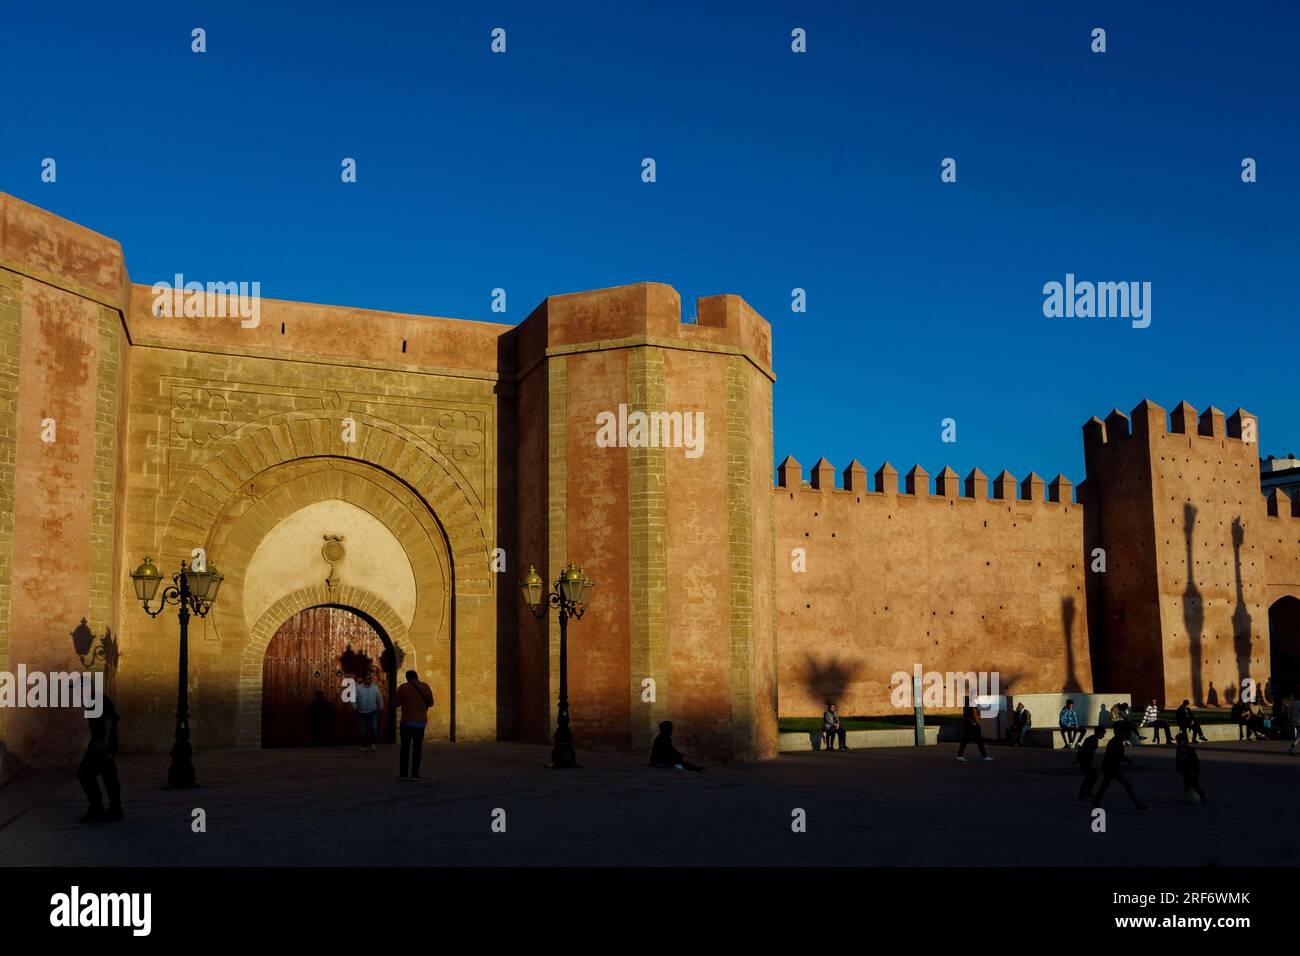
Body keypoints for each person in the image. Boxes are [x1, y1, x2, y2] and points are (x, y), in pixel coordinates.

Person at [76, 692, 123, 824]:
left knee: (86, 774)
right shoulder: (92, 700)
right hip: (97, 743)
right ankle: (107, 809)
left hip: (102, 744)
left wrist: (106, 740)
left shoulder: (99, 699)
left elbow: (109, 718)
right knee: (106, 775)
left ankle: (101, 808)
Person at [1092, 722, 1149, 811]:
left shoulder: (1115, 742)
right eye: (1125, 735)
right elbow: (1116, 756)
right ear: (1121, 734)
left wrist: (1125, 760)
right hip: (1112, 768)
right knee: (1126, 785)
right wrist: (1126, 760)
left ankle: (1096, 800)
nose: (1125, 737)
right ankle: (1137, 804)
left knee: (1106, 785)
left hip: (1111, 767)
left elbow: (1117, 756)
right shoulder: (1115, 743)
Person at [395, 670, 434, 781]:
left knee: (405, 748)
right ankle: (415, 774)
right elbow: (431, 703)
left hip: (406, 722)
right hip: (421, 722)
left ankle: (403, 774)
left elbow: (395, 703)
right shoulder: (425, 686)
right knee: (417, 749)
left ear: (407, 677)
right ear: (417, 676)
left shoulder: (403, 687)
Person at [353, 671, 385, 752]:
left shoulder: (375, 688)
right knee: (363, 730)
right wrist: (355, 707)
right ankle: (364, 745)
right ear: (363, 679)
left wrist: (381, 707)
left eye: (370, 678)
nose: (369, 680)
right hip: (361, 712)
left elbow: (379, 698)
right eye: (367, 678)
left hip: (372, 712)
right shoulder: (358, 688)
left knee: (374, 729)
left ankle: (372, 743)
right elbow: (353, 699)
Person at [955, 697, 992, 762]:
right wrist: (978, 722)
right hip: (973, 725)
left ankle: (959, 755)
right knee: (979, 741)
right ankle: (985, 756)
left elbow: (968, 715)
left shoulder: (966, 704)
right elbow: (974, 713)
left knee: (965, 740)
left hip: (968, 724)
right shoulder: (972, 704)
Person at [1175, 732, 1206, 803]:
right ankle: (1186, 797)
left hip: (1193, 770)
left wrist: (1195, 771)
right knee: (1186, 784)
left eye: (1179, 741)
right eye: (1177, 742)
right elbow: (1178, 759)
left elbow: (1195, 761)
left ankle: (1202, 797)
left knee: (1195, 784)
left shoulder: (1190, 749)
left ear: (1185, 741)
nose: (1178, 743)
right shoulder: (1178, 749)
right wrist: (1178, 768)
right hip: (1184, 770)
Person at [1076, 726, 1103, 800]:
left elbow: (1083, 749)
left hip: (1084, 760)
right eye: (1103, 734)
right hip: (1085, 760)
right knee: (1091, 776)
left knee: (1089, 777)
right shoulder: (1093, 740)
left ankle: (1085, 792)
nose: (1103, 736)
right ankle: (1085, 793)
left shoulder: (1091, 738)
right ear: (1098, 732)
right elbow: (1088, 752)